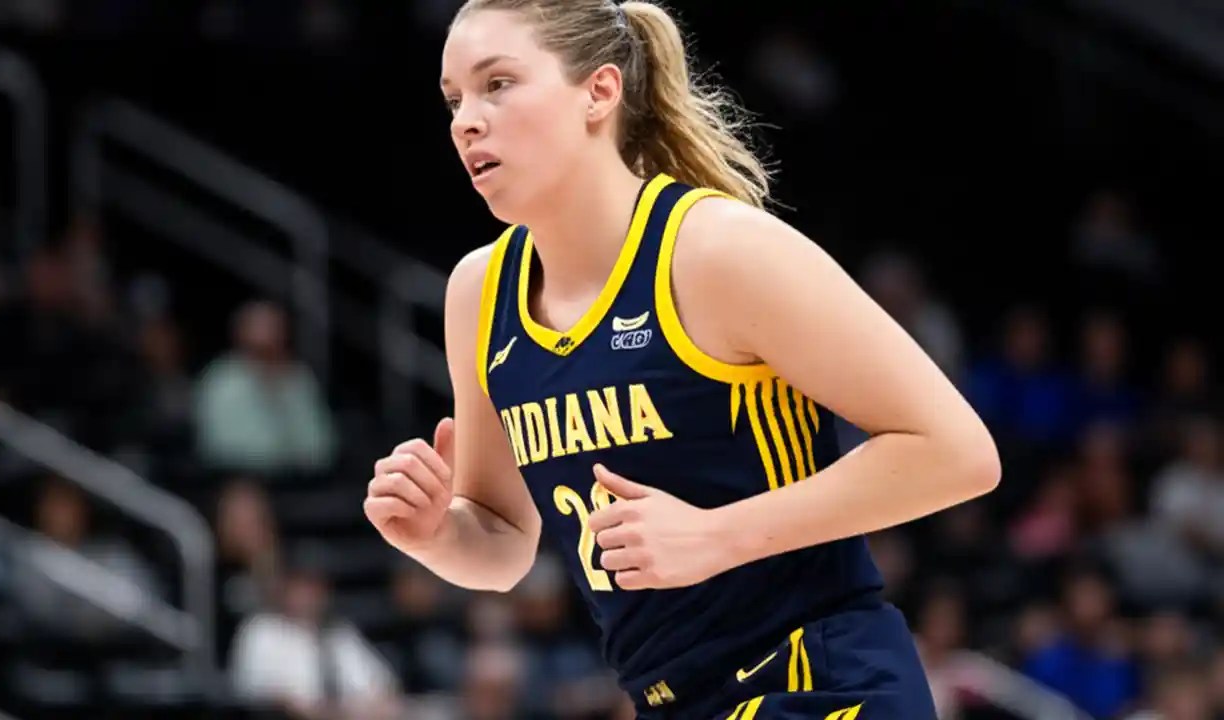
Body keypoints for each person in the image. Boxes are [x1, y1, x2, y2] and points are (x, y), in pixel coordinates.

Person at [363, 2, 1001, 718]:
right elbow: (506, 541)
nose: (465, 121)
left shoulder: (716, 251)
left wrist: (715, 535)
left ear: (599, 92)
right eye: (454, 99)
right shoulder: (479, 293)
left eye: (498, 84)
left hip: (816, 681)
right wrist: (437, 533)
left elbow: (957, 452)